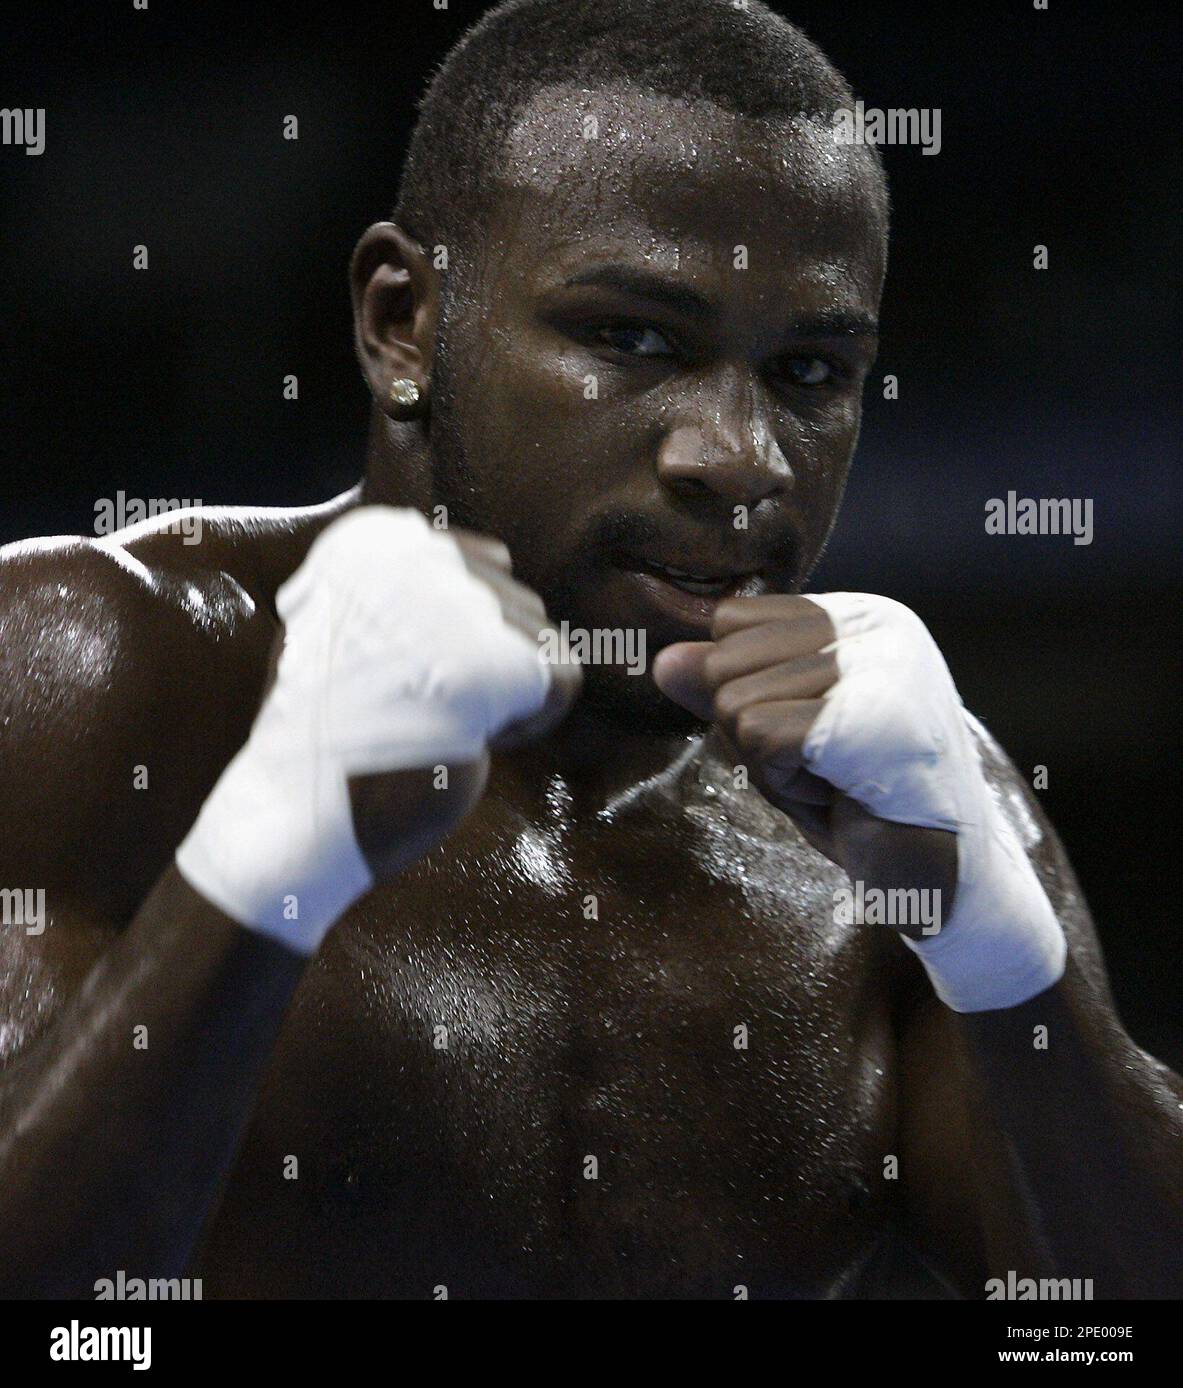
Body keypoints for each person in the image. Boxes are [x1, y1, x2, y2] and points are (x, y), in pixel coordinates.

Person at [0, 0, 1179, 1299]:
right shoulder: (100, 676)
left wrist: (1004, 949)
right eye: (632, 338)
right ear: (402, 322)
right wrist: (256, 860)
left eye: (808, 371)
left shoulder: (911, 817)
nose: (740, 455)